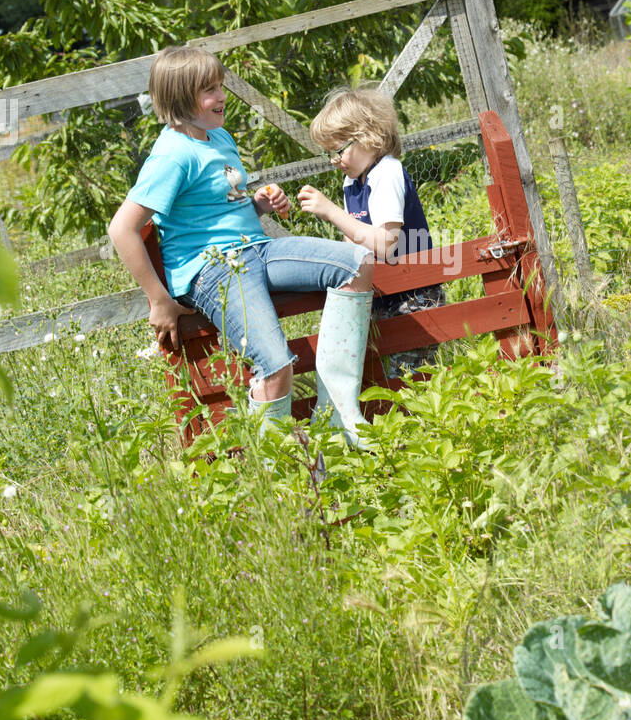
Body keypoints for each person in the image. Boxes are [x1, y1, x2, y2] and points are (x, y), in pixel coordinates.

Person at [107, 46, 375, 448]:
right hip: (213, 270)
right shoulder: (171, 155)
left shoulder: (219, 137)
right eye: (209, 91)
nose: (221, 97)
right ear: (181, 98)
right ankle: (280, 466)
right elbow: (121, 229)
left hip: (258, 250)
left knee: (358, 262)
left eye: (220, 86)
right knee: (276, 365)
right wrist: (158, 300)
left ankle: (337, 412)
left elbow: (216, 207)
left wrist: (258, 204)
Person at [298, 86, 445, 381]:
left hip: (413, 295)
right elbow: (355, 242)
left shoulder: (386, 173)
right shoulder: (351, 182)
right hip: (383, 293)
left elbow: (386, 245)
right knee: (380, 378)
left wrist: (330, 212)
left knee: (409, 379)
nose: (334, 160)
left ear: (369, 136)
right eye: (329, 153)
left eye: (339, 149)